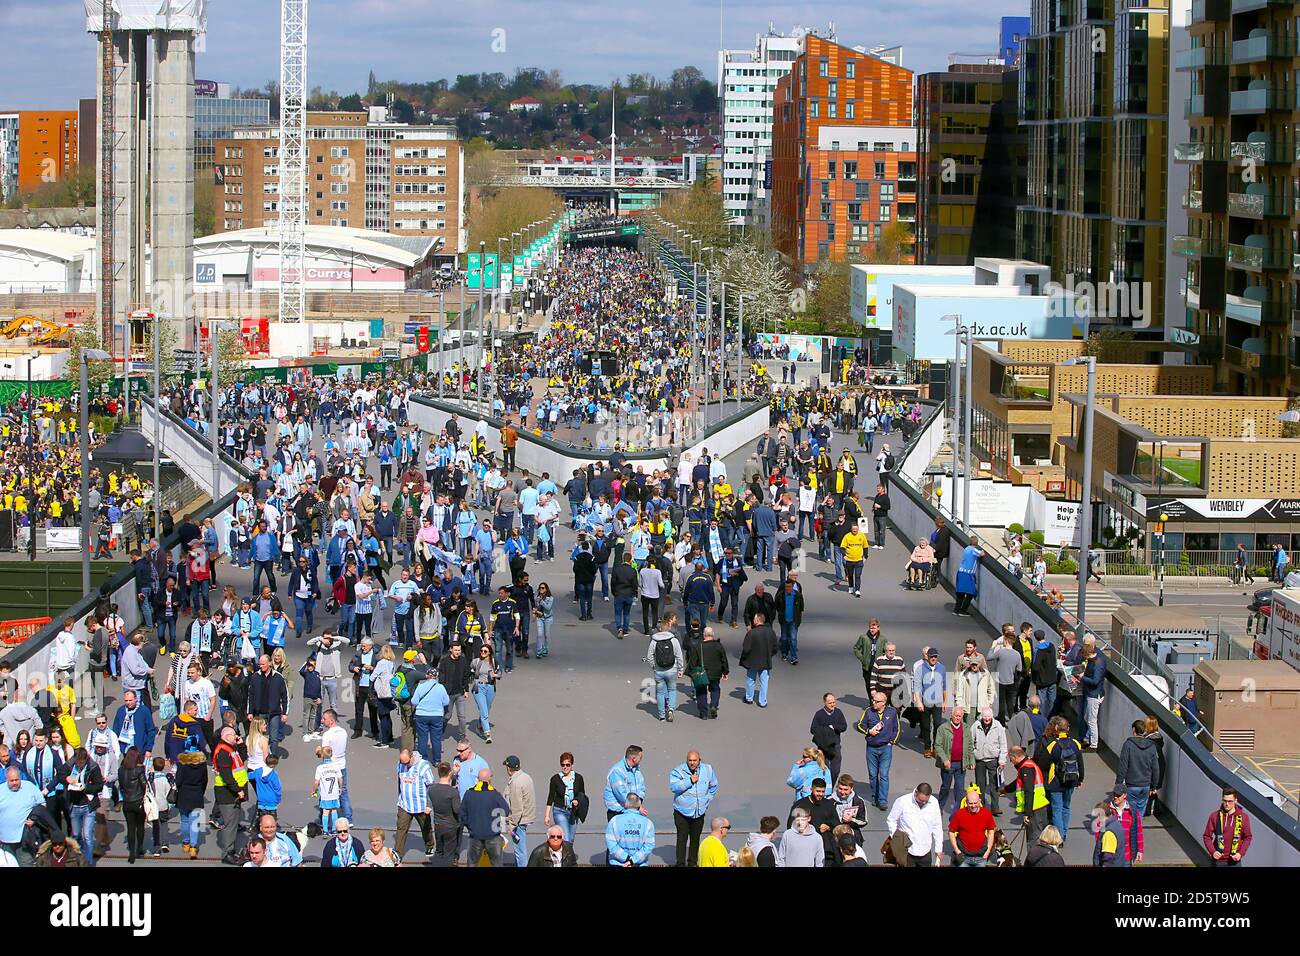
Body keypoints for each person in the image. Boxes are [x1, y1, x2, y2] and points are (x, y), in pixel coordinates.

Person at [669, 749, 717, 867]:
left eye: (694, 760)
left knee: (695, 839)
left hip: (699, 812)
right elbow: (674, 787)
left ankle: (692, 863)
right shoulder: (678, 771)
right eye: (690, 760)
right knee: (682, 838)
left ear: (699, 760)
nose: (692, 763)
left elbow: (714, 785)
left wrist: (707, 799)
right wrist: (689, 780)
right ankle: (680, 863)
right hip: (682, 812)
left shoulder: (708, 770)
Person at [1042, 716, 1085, 842]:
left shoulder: (1052, 745)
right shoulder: (1076, 744)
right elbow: (1080, 764)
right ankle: (1064, 832)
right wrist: (1080, 780)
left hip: (1055, 782)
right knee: (1066, 807)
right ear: (1068, 729)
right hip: (1071, 780)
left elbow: (1044, 764)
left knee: (1056, 809)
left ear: (1056, 728)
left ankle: (1059, 836)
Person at [856, 690, 900, 811]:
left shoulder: (891, 713)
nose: (873, 702)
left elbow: (897, 729)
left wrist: (892, 742)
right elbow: (860, 725)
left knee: (884, 775)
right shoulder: (868, 712)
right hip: (871, 749)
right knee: (873, 775)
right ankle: (875, 797)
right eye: (873, 700)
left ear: (883, 703)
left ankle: (883, 800)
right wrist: (868, 731)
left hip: (886, 748)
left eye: (876, 701)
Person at [886, 782, 944, 867]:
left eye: (926, 801)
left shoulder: (934, 802)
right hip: (907, 851)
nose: (923, 803)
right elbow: (891, 820)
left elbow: (937, 826)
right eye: (921, 800)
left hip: (925, 851)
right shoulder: (902, 801)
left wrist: (938, 849)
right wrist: (897, 838)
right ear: (916, 792)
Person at [462, 767, 511, 866]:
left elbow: (462, 814)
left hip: (475, 836)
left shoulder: (469, 793)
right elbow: (505, 811)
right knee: (496, 864)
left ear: (478, 779)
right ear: (490, 780)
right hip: (493, 836)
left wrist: (470, 826)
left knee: (472, 863)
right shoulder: (494, 794)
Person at [1004, 745, 1050, 848]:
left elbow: (1029, 791)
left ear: (1015, 757)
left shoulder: (1026, 768)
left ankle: (1033, 861)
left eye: (1011, 759)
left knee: (1033, 840)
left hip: (1035, 808)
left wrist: (1027, 813)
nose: (1011, 762)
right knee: (1039, 837)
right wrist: (1006, 789)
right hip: (1040, 805)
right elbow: (1020, 781)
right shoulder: (1029, 764)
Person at [1114, 718, 1163, 818]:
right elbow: (1155, 768)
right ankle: (1137, 831)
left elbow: (1123, 766)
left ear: (1133, 730)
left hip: (1132, 784)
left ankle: (1131, 832)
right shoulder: (1152, 746)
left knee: (1129, 814)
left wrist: (1118, 784)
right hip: (1145, 785)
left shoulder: (1128, 745)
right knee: (1139, 814)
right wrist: (1154, 786)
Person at [394, 748, 436, 861]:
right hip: (404, 804)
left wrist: (429, 805)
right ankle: (398, 854)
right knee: (401, 828)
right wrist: (400, 796)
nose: (405, 765)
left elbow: (431, 785)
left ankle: (429, 845)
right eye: (403, 763)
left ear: (412, 757)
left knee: (425, 827)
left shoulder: (423, 766)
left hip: (420, 805)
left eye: (407, 762)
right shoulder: (400, 764)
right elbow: (399, 781)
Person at [934, 706, 975, 813]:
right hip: (948, 764)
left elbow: (970, 745)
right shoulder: (943, 728)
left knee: (960, 789)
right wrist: (944, 759)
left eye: (960, 716)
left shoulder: (966, 728)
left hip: (961, 764)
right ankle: (940, 806)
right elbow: (938, 745)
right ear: (951, 715)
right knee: (946, 787)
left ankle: (959, 810)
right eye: (956, 716)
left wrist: (971, 761)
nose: (958, 718)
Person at [0, 766, 43, 866]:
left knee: (26, 864)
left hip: (24, 839)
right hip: (5, 841)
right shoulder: (0, 790)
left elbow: (42, 805)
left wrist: (34, 819)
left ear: (20, 777)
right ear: (7, 779)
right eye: (12, 781)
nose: (15, 783)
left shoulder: (30, 787)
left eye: (16, 780)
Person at [645, 617, 684, 722]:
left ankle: (662, 715)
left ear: (660, 629)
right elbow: (679, 656)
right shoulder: (674, 640)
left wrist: (654, 666)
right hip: (672, 670)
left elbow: (649, 657)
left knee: (660, 693)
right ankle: (671, 709)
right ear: (669, 628)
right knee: (672, 690)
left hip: (659, 670)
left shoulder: (654, 641)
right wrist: (680, 669)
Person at [947, 785, 996, 867]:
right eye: (970, 803)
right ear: (966, 802)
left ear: (979, 801)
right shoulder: (959, 814)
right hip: (963, 856)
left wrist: (988, 851)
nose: (973, 806)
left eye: (975, 803)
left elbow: (991, 832)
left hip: (981, 857)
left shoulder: (986, 814)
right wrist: (957, 851)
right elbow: (951, 832)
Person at [1203, 787, 1251, 866]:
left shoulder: (1243, 817)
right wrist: (1213, 852)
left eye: (1230, 801)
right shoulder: (1214, 816)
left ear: (1235, 801)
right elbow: (1207, 836)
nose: (1227, 804)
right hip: (1218, 861)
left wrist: (1240, 853)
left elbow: (1248, 837)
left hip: (1235, 861)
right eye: (1225, 801)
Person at [544, 752, 585, 844]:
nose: (565, 767)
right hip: (560, 811)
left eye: (568, 765)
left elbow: (582, 794)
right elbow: (550, 798)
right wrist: (547, 815)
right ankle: (564, 858)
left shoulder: (578, 778)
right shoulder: (555, 779)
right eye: (563, 765)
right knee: (565, 838)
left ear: (572, 765)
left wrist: (577, 801)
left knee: (571, 839)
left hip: (573, 812)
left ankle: (567, 857)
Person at [503, 755, 537, 868]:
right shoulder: (526, 777)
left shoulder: (516, 783)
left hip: (519, 821)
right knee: (520, 850)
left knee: (520, 851)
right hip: (526, 818)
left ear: (508, 768)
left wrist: (511, 825)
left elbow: (517, 809)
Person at [739, 612, 778, 707]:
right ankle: (762, 701)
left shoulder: (751, 633)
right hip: (765, 661)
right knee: (764, 682)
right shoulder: (771, 632)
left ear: (757, 620)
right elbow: (775, 648)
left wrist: (744, 658)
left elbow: (746, 648)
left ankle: (749, 698)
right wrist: (769, 655)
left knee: (751, 680)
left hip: (752, 661)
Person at [606, 793, 655, 866]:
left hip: (618, 863)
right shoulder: (648, 823)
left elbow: (611, 845)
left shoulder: (614, 821)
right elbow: (649, 846)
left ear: (625, 804)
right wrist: (632, 860)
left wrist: (626, 858)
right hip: (639, 864)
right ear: (639, 804)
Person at [696, 626, 729, 720]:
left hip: (702, 673)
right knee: (715, 689)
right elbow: (724, 660)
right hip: (715, 673)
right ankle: (714, 705)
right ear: (713, 635)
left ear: (704, 635)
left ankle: (703, 713)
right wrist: (725, 672)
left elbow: (693, 660)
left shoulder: (699, 646)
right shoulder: (718, 645)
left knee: (701, 691)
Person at [953, 535, 984, 615]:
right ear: (976, 543)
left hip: (961, 571)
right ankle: (963, 610)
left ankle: (956, 610)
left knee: (960, 592)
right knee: (971, 593)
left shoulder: (966, 548)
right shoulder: (973, 550)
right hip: (968, 573)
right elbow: (982, 554)